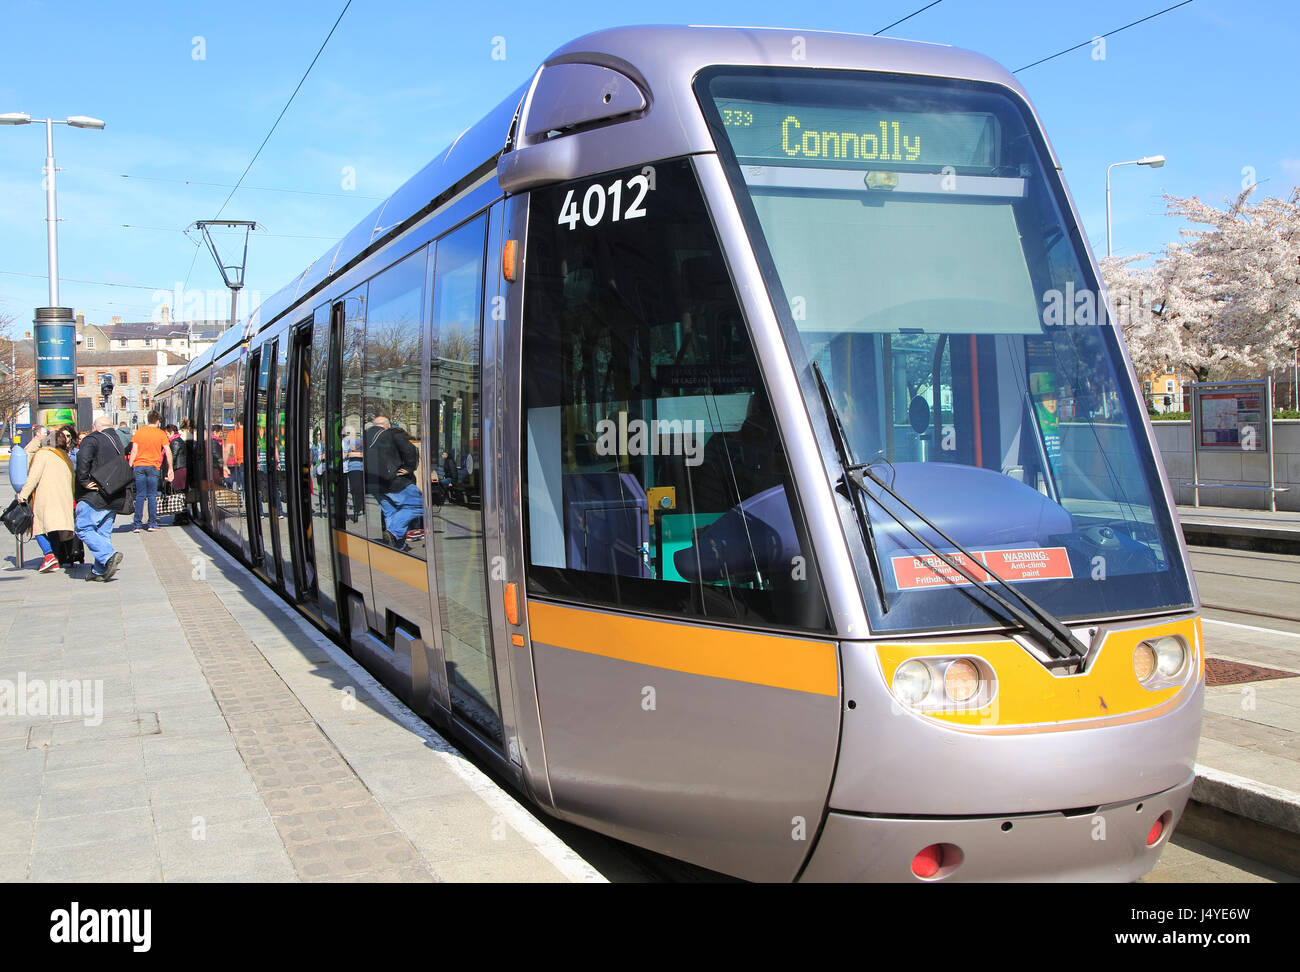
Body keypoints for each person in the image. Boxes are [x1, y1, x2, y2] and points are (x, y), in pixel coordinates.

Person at [16, 427, 77, 573]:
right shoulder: (64, 456)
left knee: (38, 527)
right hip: (64, 497)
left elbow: (33, 477)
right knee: (53, 529)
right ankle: (54, 558)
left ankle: (49, 555)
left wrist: (23, 495)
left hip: (46, 496)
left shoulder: (43, 454)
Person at [74, 414, 125, 582]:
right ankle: (98, 571)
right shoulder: (118, 440)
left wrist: (83, 481)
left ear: (95, 427)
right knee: (103, 533)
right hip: (115, 493)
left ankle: (109, 556)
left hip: (94, 495)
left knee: (83, 528)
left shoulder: (92, 439)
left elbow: (83, 459)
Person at [363, 415, 422, 551]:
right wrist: (409, 467)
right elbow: (410, 450)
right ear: (387, 425)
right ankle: (394, 533)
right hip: (392, 480)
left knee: (390, 512)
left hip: (372, 482)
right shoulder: (391, 433)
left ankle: (397, 546)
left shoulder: (365, 436)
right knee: (419, 504)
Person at [127, 410, 174, 532]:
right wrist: (170, 468)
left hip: (139, 466)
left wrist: (130, 465)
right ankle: (151, 523)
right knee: (152, 495)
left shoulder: (139, 432)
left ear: (148, 419)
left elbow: (134, 450)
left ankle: (137, 525)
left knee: (140, 495)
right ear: (158, 421)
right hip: (153, 467)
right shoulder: (161, 434)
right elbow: (168, 451)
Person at [342, 426, 364, 523]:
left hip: (361, 467)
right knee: (354, 489)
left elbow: (365, 454)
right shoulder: (346, 441)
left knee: (359, 489)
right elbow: (345, 454)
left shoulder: (361, 441)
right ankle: (355, 510)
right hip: (352, 468)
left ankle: (358, 508)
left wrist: (354, 454)